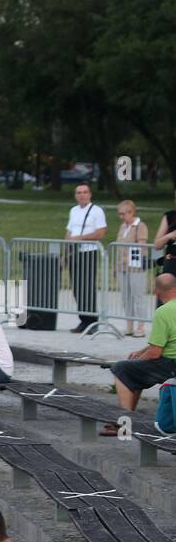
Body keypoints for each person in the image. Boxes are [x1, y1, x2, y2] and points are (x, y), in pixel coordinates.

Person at [106, 273, 176, 429]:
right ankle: (129, 417)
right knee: (135, 370)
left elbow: (155, 353)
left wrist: (139, 359)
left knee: (121, 368)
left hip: (170, 364)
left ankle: (124, 424)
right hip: (170, 361)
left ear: (156, 292)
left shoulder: (163, 312)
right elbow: (168, 340)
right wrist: (142, 351)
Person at [65, 184, 107, 332]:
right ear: (75, 195)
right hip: (74, 253)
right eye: (79, 193)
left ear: (90, 194)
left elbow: (101, 233)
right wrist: (66, 252)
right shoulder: (73, 211)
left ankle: (91, 321)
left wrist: (81, 238)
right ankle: (83, 319)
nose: (82, 195)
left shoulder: (97, 211)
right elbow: (69, 233)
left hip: (89, 251)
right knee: (77, 287)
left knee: (87, 287)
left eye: (84, 192)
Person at [115, 199, 150, 337]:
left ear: (131, 212)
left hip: (136, 267)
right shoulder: (123, 226)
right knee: (126, 297)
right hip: (122, 267)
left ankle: (140, 326)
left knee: (138, 296)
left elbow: (142, 246)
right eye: (119, 214)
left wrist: (127, 259)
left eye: (123, 214)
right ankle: (129, 324)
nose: (121, 217)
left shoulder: (140, 225)